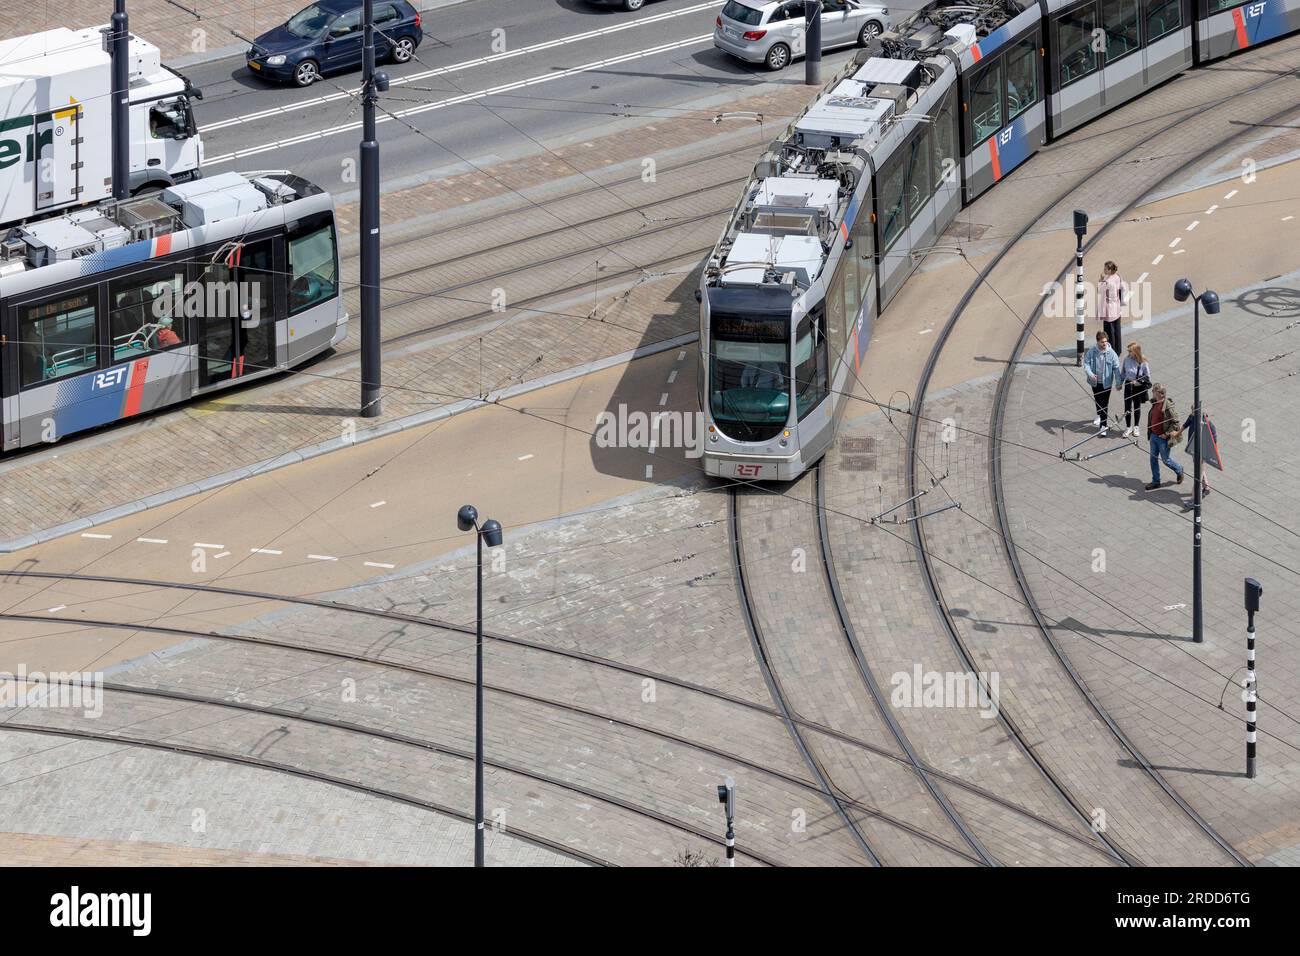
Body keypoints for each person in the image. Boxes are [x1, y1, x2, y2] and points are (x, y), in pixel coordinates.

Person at [1145, 383, 1184, 491]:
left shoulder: (1168, 407)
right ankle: (1156, 481)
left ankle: (1179, 469)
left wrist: (1166, 434)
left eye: (1153, 391)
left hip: (1162, 439)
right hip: (1153, 435)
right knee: (1153, 459)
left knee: (1166, 460)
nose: (1152, 392)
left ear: (1160, 394)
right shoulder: (1155, 402)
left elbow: (1176, 423)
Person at [1083, 330, 1121, 435]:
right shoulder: (1092, 352)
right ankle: (1099, 415)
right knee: (1097, 399)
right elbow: (1086, 364)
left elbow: (1116, 369)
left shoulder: (1112, 354)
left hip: (1106, 383)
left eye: (1105, 341)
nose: (1104, 344)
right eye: (1102, 342)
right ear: (1097, 342)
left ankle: (1103, 426)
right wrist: (1090, 374)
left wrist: (1118, 383)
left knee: (1104, 404)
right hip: (1095, 382)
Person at [1182, 408, 1219, 498]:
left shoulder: (1207, 423)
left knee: (1199, 470)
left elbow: (1214, 438)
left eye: (1193, 411)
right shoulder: (1192, 417)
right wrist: (1178, 433)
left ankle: (1194, 495)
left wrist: (1212, 451)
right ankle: (1206, 487)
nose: (1191, 413)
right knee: (1200, 469)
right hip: (1193, 449)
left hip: (1202, 451)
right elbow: (1186, 424)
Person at [1119, 341, 1150, 437]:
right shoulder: (1127, 359)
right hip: (1128, 385)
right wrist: (1120, 383)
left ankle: (1136, 427)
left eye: (1130, 351)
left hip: (1138, 387)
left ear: (1136, 352)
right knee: (1127, 407)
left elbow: (1148, 377)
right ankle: (1128, 427)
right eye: (1128, 351)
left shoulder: (1143, 362)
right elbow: (1123, 372)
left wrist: (1138, 382)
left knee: (1137, 407)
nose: (1128, 353)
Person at [1098, 260, 1124, 355]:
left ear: (1109, 270)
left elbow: (1100, 292)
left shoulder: (1107, 281)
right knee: (1117, 330)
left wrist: (1101, 280)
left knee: (1109, 331)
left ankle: (1111, 350)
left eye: (1105, 268)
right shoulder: (1117, 277)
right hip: (1117, 307)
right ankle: (1118, 349)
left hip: (1109, 309)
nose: (1104, 270)